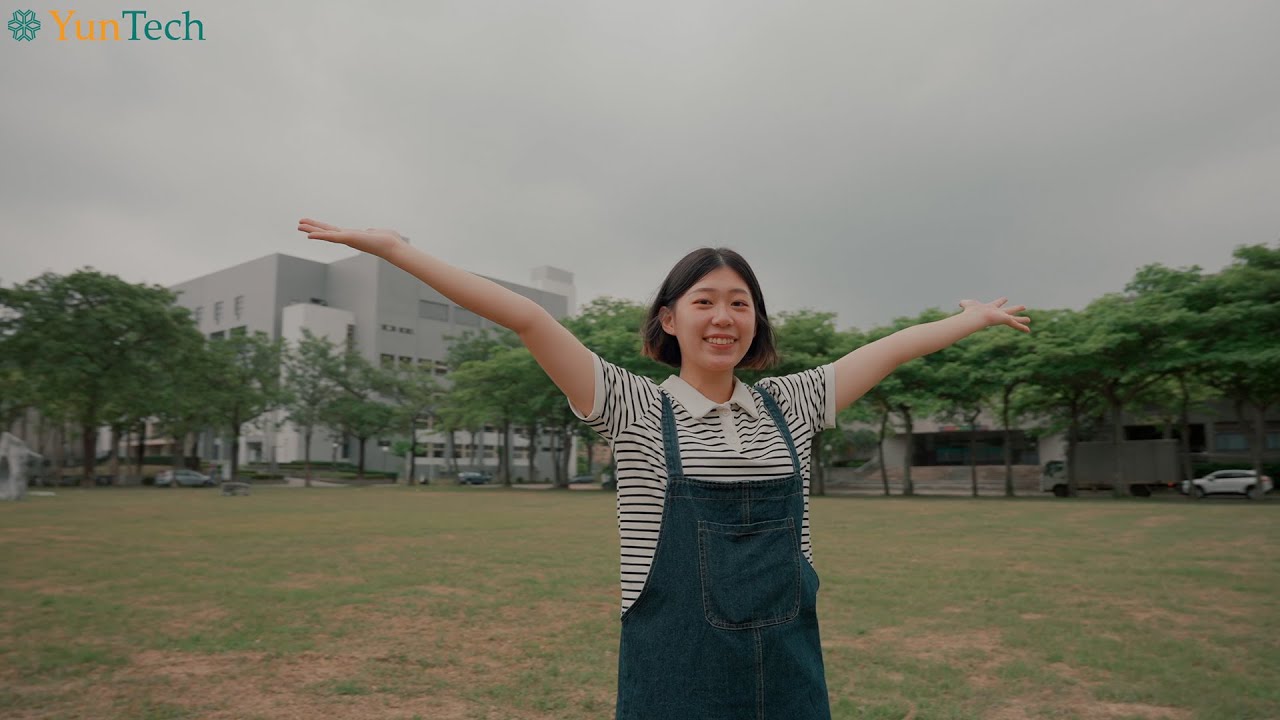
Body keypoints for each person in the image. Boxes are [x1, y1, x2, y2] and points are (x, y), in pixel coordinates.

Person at [296, 218, 1030, 719]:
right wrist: (395, 249)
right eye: (704, 301)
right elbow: (526, 318)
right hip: (674, 675)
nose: (724, 317)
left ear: (757, 322)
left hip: (789, 670)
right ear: (669, 319)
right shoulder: (633, 408)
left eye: (740, 303)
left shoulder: (794, 403)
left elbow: (893, 348)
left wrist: (971, 318)